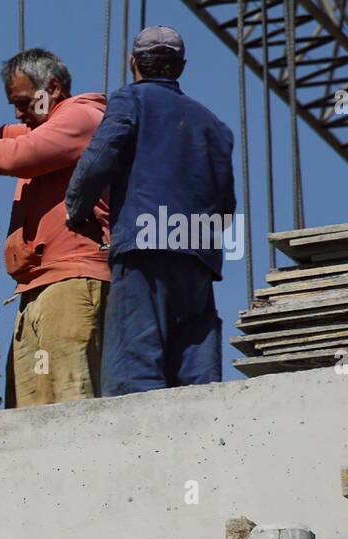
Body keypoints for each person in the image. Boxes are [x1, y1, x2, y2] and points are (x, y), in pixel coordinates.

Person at [64, 25, 236, 396]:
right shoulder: (215, 126)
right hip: (197, 257)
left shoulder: (130, 101)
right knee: (197, 378)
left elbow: (99, 160)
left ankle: (140, 452)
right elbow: (226, 203)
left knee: (135, 370)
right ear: (182, 67)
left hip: (145, 247)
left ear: (133, 64)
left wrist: (76, 210)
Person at [0, 36, 113, 409]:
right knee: (29, 414)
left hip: (73, 281)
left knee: (69, 402)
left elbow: (14, 155)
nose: (18, 114)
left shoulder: (81, 117)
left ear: (53, 89)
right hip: (38, 286)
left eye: (24, 104)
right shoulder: (44, 127)